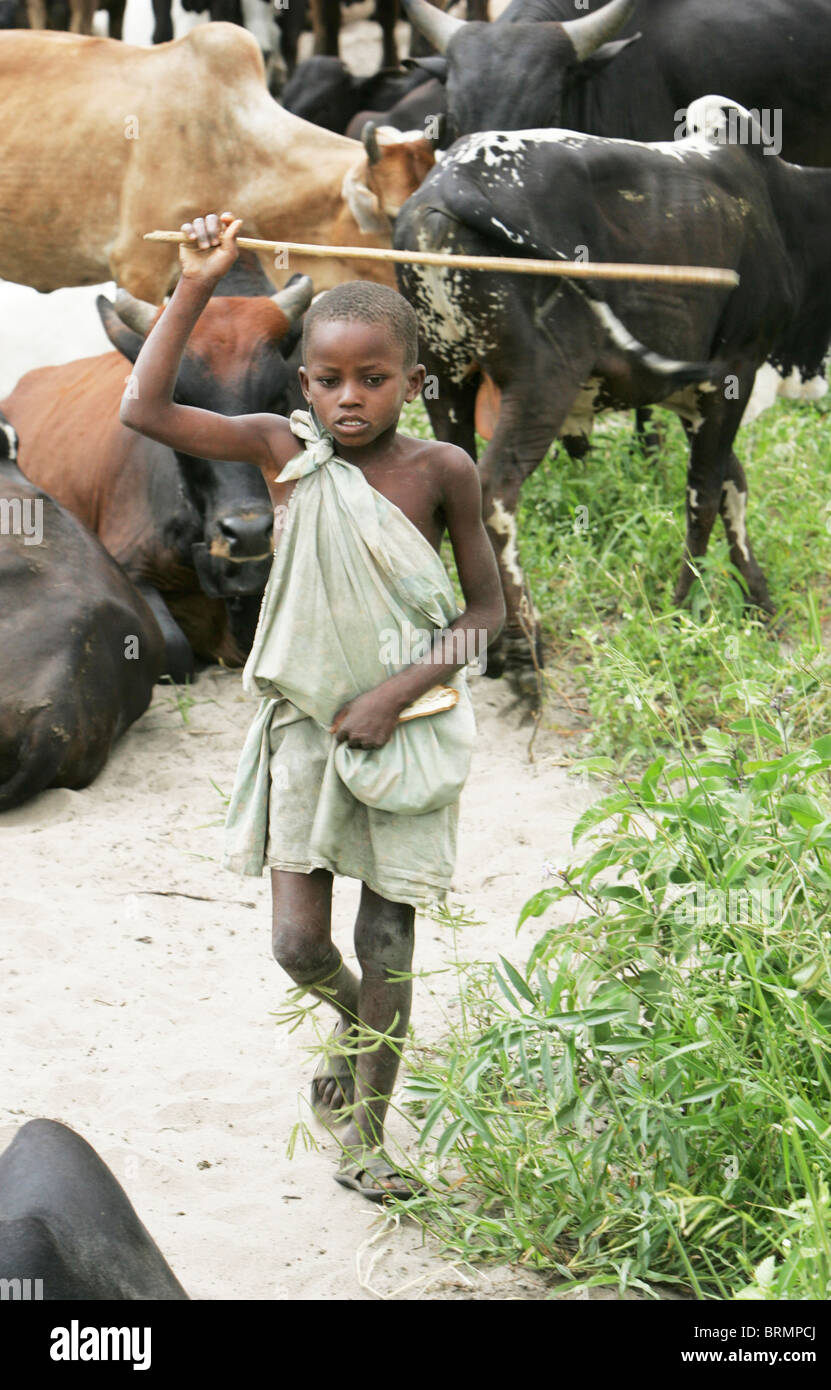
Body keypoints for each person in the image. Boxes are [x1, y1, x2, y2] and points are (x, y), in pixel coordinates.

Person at [121, 211, 505, 1200]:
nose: (348, 397)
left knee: (388, 946)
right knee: (300, 945)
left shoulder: (440, 472)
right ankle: (352, 1023)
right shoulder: (278, 453)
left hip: (405, 737)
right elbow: (143, 409)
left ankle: (367, 1139)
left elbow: (484, 610)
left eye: (372, 378)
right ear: (303, 386)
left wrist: (393, 691)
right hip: (302, 734)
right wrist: (196, 282)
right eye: (328, 379)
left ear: (411, 384)